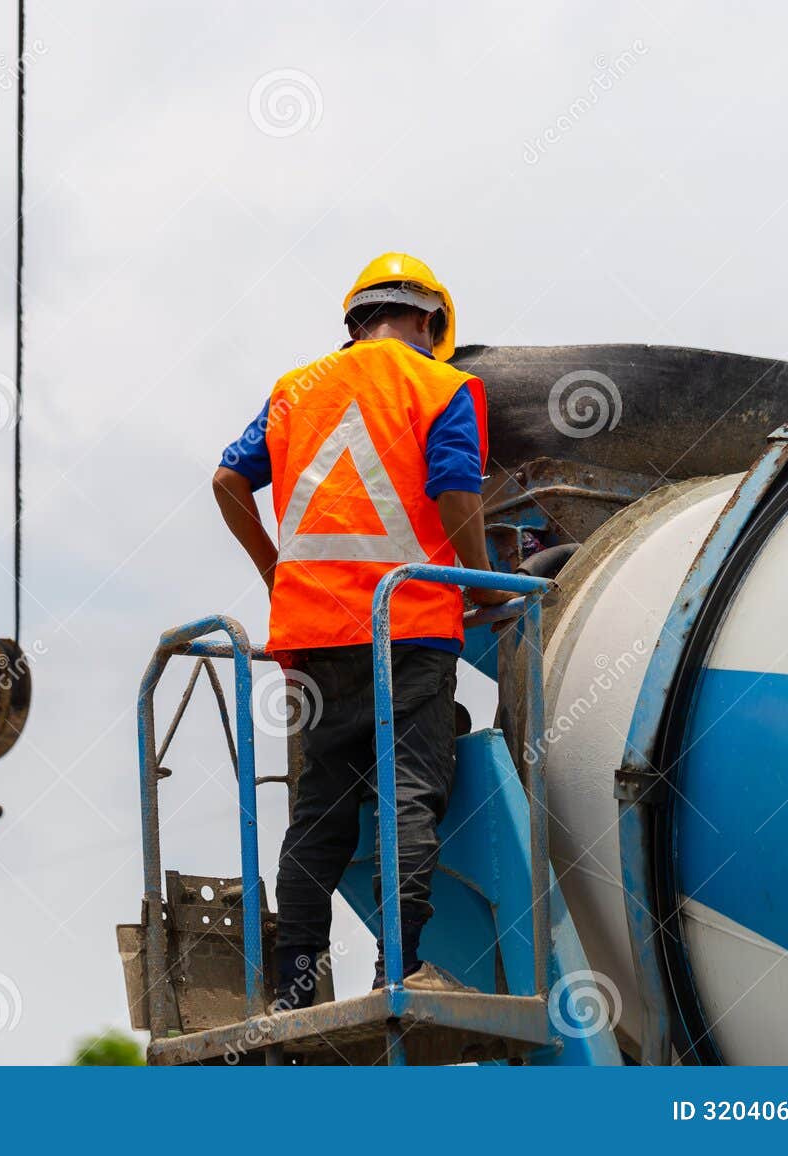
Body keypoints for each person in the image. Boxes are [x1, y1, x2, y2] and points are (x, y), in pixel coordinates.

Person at [212, 253, 507, 1009]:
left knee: (322, 808)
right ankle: (399, 969)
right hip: (403, 625)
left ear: (356, 319)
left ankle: (295, 984)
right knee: (410, 793)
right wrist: (482, 582)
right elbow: (452, 490)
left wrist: (277, 573)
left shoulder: (296, 388)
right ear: (428, 322)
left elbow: (227, 480)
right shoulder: (443, 385)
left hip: (310, 636)